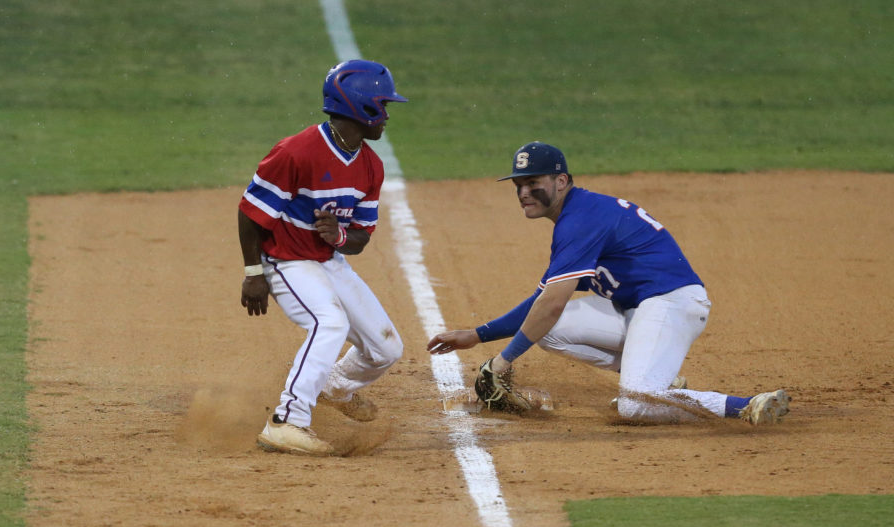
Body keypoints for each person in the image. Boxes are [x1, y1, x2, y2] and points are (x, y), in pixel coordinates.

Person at [426, 142, 790, 424]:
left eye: (533, 183)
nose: (523, 193)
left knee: (635, 405)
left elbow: (551, 304)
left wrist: (504, 361)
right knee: (548, 330)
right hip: (638, 308)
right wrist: (478, 334)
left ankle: (742, 406)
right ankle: (656, 377)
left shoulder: (580, 221)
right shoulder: (577, 215)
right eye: (519, 185)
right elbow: (544, 302)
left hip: (671, 304)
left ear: (561, 181)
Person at [237, 60, 408, 456]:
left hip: (329, 262)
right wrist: (253, 273)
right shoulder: (296, 152)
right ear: (362, 109)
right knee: (329, 323)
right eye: (384, 106)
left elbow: (361, 237)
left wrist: (340, 235)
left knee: (387, 349)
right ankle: (287, 421)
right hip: (285, 261)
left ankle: (333, 386)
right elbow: (249, 212)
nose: (386, 116)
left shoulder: (370, 166)